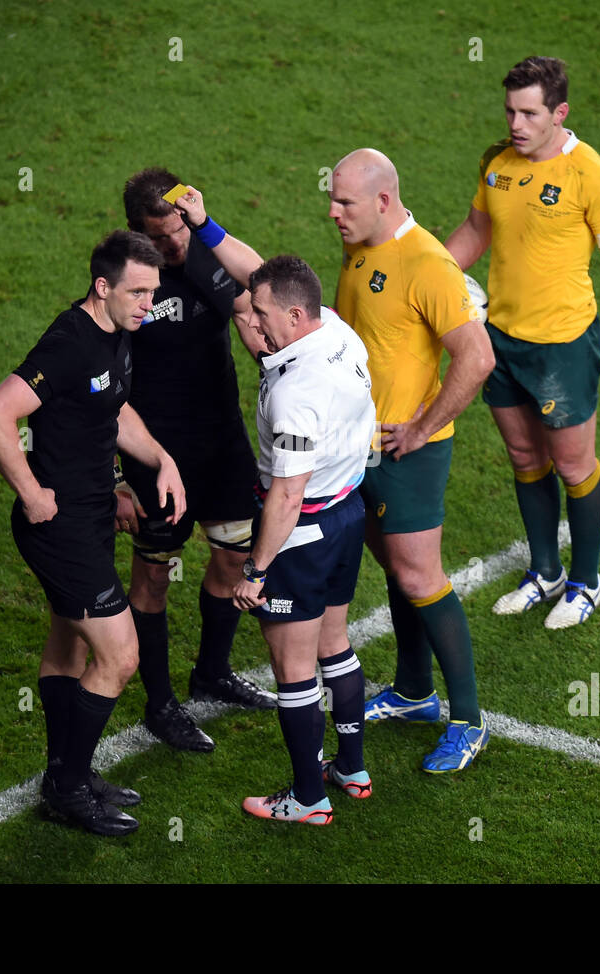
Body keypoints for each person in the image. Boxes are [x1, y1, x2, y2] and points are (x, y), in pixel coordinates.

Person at [0, 231, 187, 838]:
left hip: (94, 515)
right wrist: (32, 492)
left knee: (67, 649)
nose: (150, 303)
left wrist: (157, 460)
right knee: (119, 656)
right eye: (139, 292)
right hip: (58, 527)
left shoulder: (118, 334)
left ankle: (65, 774)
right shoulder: (68, 342)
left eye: (154, 291)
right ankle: (69, 787)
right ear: (103, 287)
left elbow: (112, 411)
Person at [444, 55, 600, 628]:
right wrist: (427, 279)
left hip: (562, 345)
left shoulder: (595, 176)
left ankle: (586, 581)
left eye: (529, 113)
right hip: (500, 340)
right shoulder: (498, 165)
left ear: (559, 112)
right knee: (525, 457)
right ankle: (545, 571)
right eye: (510, 110)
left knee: (573, 464)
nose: (516, 123)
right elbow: (478, 230)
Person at [328, 148, 496, 774]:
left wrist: (423, 428)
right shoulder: (361, 248)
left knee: (421, 576)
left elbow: (476, 357)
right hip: (359, 446)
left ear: (382, 199)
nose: (333, 212)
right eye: (332, 199)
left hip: (407, 452)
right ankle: (413, 692)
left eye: (345, 202)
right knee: (397, 568)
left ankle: (468, 721)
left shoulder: (428, 263)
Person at [114, 168, 276, 755]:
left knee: (236, 555)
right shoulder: (126, 286)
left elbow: (254, 299)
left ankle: (212, 671)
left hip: (221, 442)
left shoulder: (207, 255)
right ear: (138, 234)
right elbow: (99, 386)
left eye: (181, 228)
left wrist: (276, 361)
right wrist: (116, 480)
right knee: (154, 572)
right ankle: (160, 704)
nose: (176, 244)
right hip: (155, 454)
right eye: (161, 236)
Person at [229, 255, 376, 825]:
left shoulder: (297, 395)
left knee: (292, 667)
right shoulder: (335, 329)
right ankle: (352, 768)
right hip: (347, 512)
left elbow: (287, 497)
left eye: (261, 314)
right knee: (334, 644)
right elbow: (255, 276)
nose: (253, 323)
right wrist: (205, 226)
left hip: (302, 530)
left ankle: (308, 799)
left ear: (294, 313)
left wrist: (255, 571)